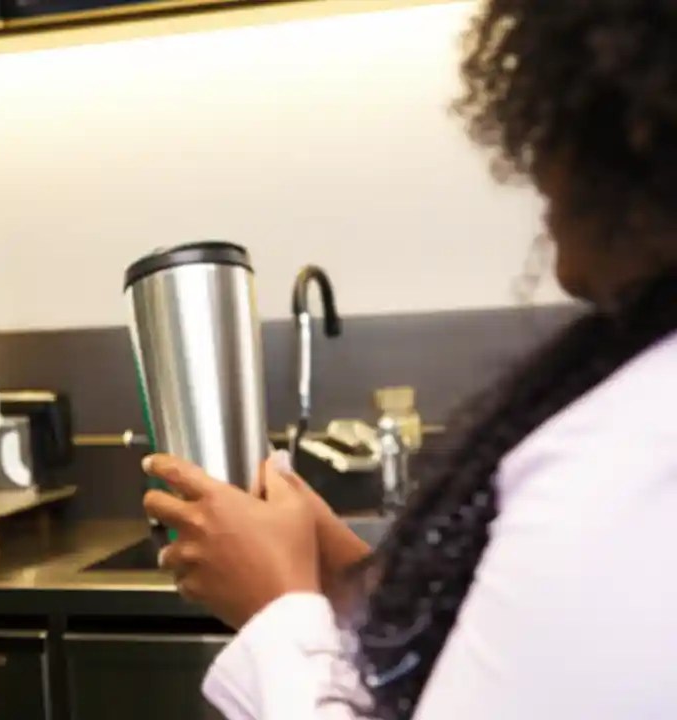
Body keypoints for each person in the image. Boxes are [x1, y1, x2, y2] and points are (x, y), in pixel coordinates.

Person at [143, 1, 677, 718]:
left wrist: (277, 607)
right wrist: (342, 572)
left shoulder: (630, 456)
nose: (535, 175)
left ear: (620, 133)